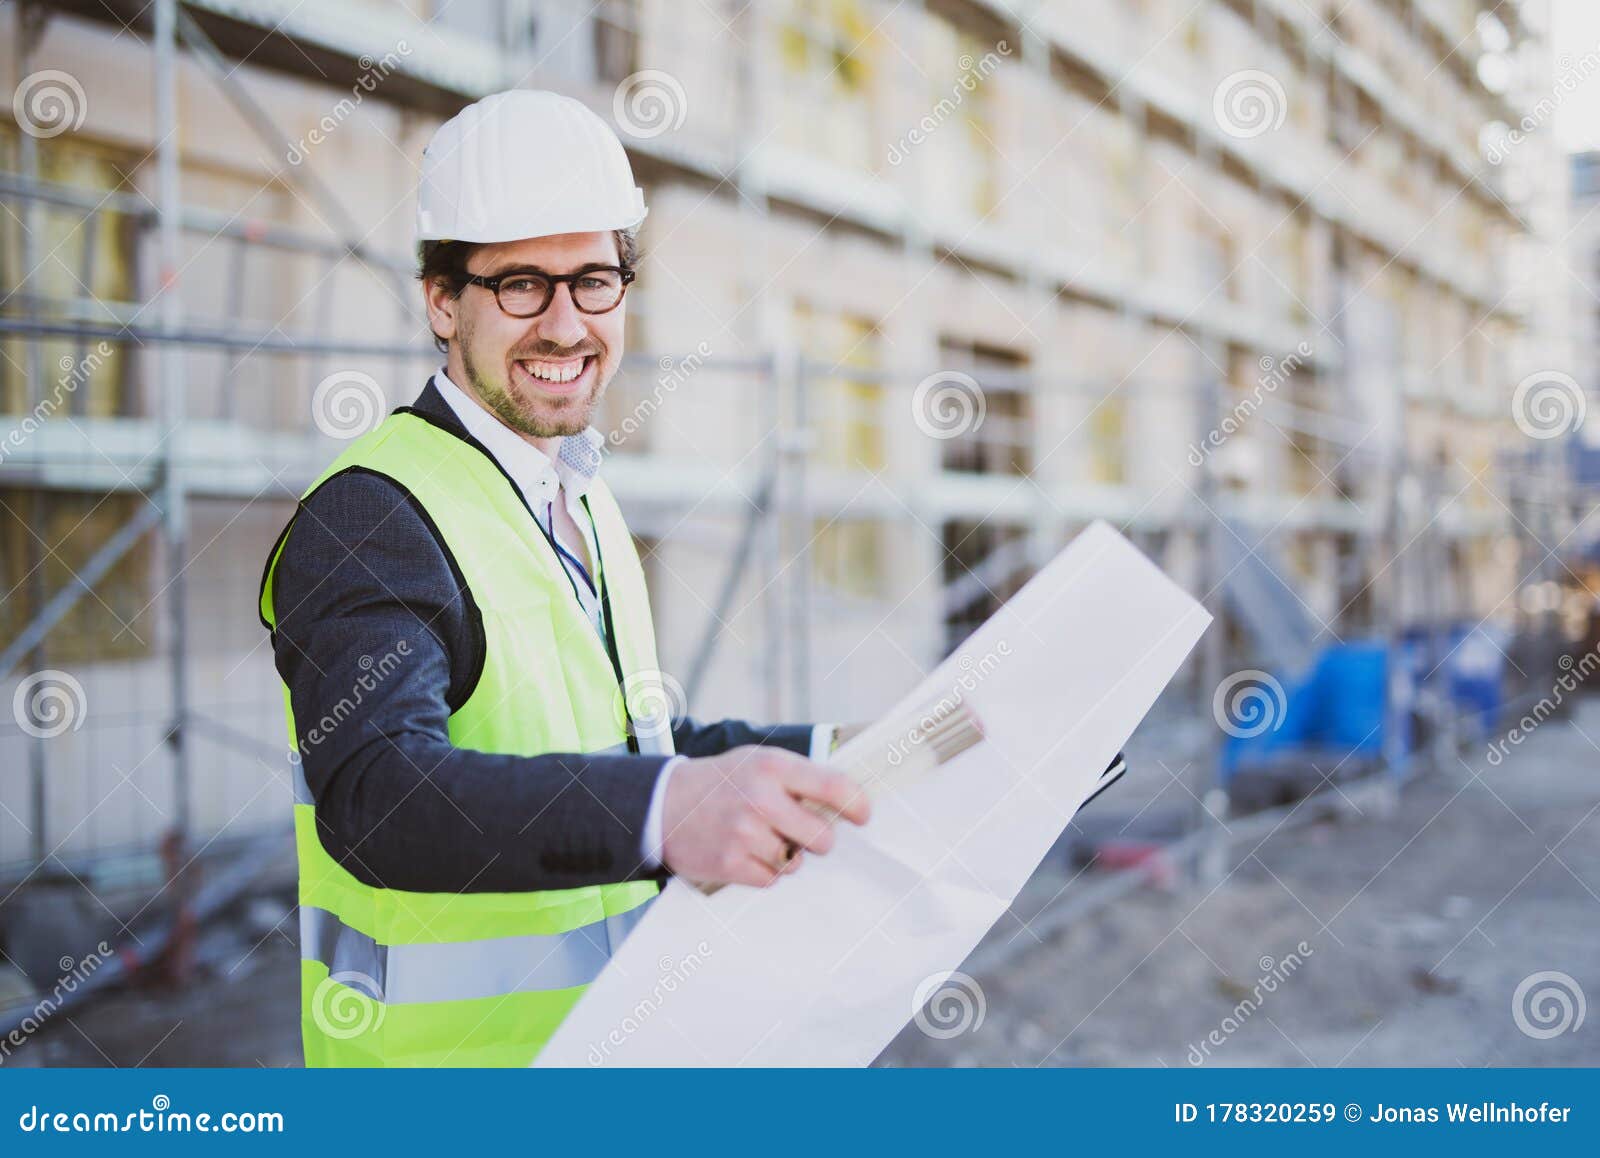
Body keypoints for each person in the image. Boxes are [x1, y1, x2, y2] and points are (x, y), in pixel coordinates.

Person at [259, 90, 866, 1067]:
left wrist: (851, 758)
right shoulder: (374, 512)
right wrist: (669, 814)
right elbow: (378, 795)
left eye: (593, 280)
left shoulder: (574, 492)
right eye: (519, 286)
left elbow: (634, 743)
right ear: (442, 298)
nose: (565, 324)